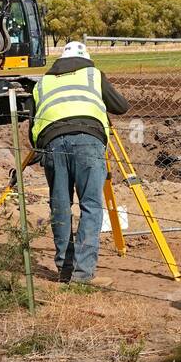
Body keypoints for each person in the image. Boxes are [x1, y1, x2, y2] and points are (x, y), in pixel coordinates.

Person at [30, 40, 130, 285]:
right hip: (88, 139)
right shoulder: (93, 74)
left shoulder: (43, 82)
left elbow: (33, 124)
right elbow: (121, 107)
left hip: (51, 143)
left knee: (60, 205)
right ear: (86, 59)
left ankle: (65, 270)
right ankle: (83, 275)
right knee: (91, 205)